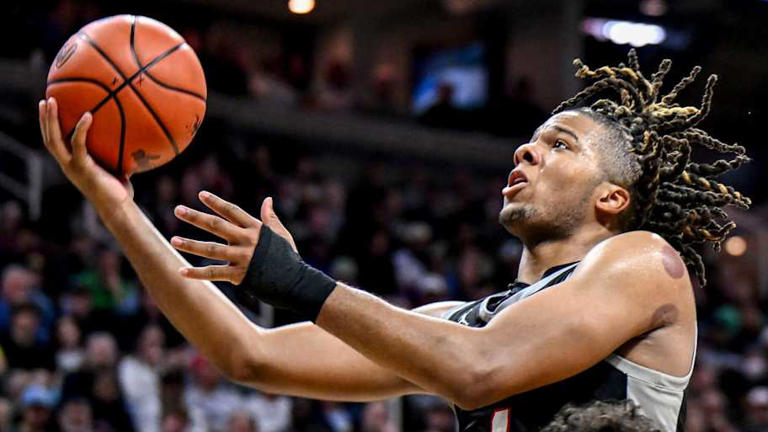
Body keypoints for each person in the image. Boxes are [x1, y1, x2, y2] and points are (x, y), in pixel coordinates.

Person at [38, 50, 750, 431]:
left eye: (558, 146)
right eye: (527, 144)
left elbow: (481, 371)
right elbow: (245, 353)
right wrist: (114, 205)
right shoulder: (458, 324)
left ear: (612, 198)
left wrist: (296, 282)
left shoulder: (643, 262)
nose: (524, 155)